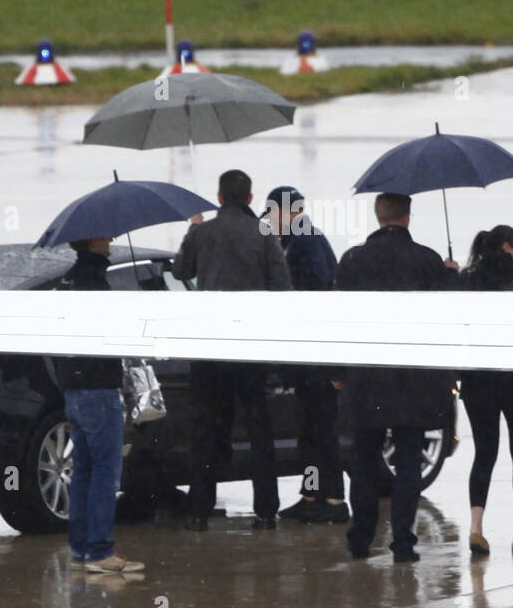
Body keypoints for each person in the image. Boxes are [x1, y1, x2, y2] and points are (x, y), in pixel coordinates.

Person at [334, 192, 457, 563]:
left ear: (379, 216)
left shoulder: (352, 260)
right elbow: (445, 315)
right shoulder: (427, 260)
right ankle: (403, 542)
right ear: (407, 217)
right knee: (407, 461)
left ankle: (360, 538)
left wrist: (338, 372)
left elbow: (338, 319)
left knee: (364, 460)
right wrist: (451, 276)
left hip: (366, 376)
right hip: (414, 376)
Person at [172, 169, 293, 530]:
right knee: (259, 428)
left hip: (209, 346)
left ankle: (199, 510)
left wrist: (194, 229)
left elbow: (179, 270)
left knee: (205, 428)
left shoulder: (204, 232)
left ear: (220, 197)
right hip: (249, 346)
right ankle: (266, 510)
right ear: (251, 199)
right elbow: (282, 288)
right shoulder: (264, 234)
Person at [56, 237, 144, 574]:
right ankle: (99, 551)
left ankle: (81, 546)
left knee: (84, 471)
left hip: (74, 388)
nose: (112, 241)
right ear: (93, 242)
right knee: (106, 473)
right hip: (98, 386)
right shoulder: (94, 281)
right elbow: (111, 332)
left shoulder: (67, 281)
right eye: (106, 236)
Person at [263, 186, 347, 524]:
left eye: (271, 214)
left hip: (318, 357)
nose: (268, 220)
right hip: (310, 358)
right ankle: (312, 494)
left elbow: (313, 295)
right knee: (310, 432)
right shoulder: (299, 240)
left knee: (322, 432)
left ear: (286, 212)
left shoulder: (307, 241)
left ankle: (336, 500)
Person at [459, 225, 513, 556]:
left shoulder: (467, 279)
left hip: (478, 378)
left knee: (484, 453)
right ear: (508, 247)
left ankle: (476, 528)